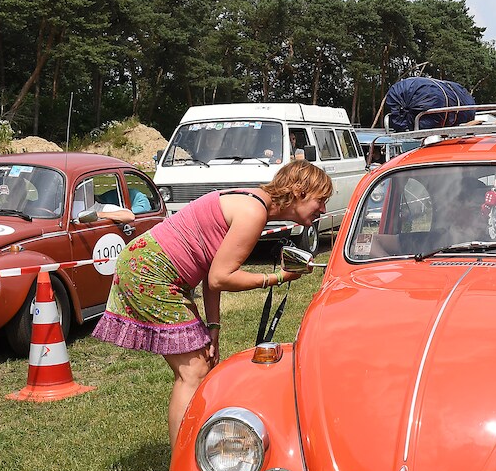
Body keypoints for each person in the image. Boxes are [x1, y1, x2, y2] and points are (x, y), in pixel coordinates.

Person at [92, 160, 333, 448]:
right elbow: (221, 277)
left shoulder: (252, 203)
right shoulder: (253, 212)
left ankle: (200, 445)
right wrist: (277, 277)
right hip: (150, 270)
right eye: (321, 200)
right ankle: (183, 461)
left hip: (152, 266)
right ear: (298, 192)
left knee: (204, 362)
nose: (324, 210)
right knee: (192, 372)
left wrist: (213, 326)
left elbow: (211, 271)